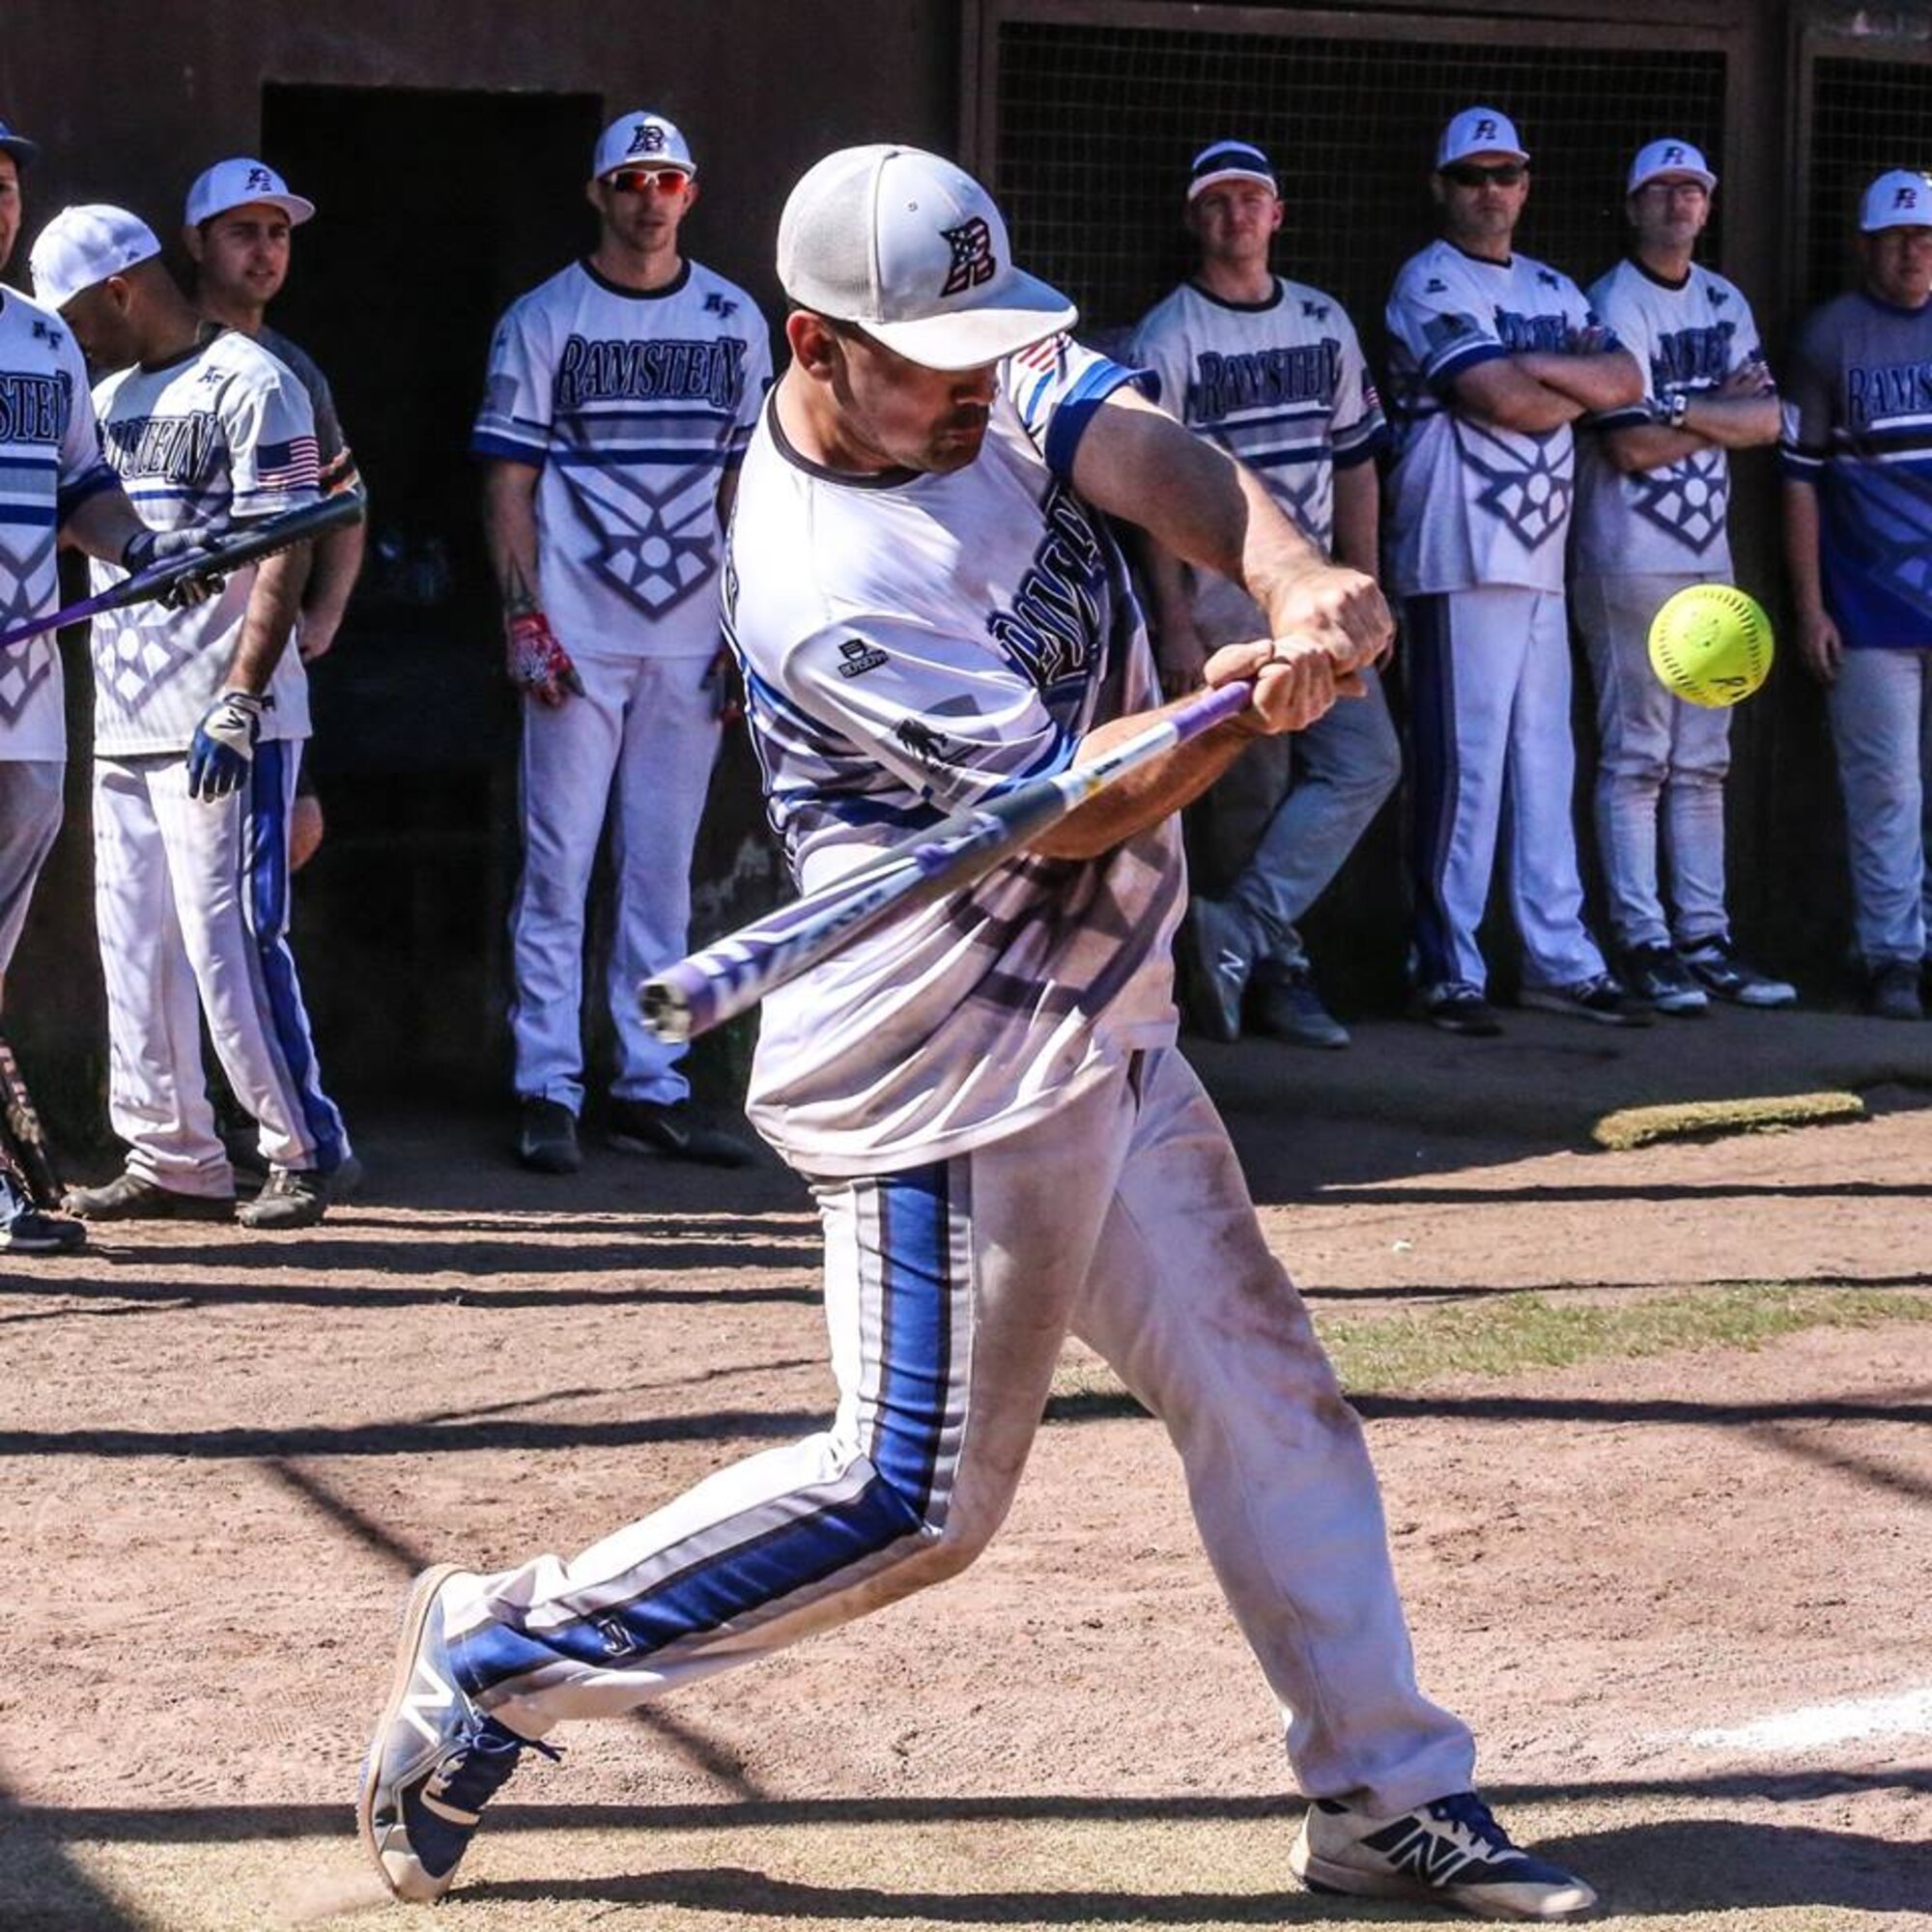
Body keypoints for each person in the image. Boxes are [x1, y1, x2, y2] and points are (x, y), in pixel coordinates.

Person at [357, 145, 1598, 1924]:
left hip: (1107, 1011)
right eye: (926, 362)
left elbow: (1129, 445)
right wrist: (1241, 710)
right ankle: (498, 1646)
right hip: (943, 1053)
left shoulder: (967, 357)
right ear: (813, 344)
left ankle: (1383, 1790)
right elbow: (1069, 814)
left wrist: (1284, 562)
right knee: (912, 1497)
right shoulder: (818, 577)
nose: (970, 384)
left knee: (1265, 1390)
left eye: (977, 348)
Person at [29, 205, 356, 1229]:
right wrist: (135, 553)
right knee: (133, 941)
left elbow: (284, 545)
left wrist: (241, 698)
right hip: (125, 711)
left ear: (119, 289)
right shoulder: (109, 395)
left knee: (232, 940)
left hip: (226, 714)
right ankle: (170, 1150)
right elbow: (84, 518)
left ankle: (303, 1145)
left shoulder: (255, 381)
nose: (74, 337)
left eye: (79, 315)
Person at [473, 110, 772, 1175]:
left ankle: (650, 1082)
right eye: (632, 179)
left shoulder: (735, 318)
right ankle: (546, 1083)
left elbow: (750, 483)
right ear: (599, 194)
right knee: (557, 866)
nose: (651, 197)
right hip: (576, 637)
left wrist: (746, 626)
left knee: (659, 870)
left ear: (690, 194)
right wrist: (524, 619)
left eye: (669, 181)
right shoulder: (543, 318)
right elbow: (507, 478)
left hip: (691, 639)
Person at [1385, 107, 1649, 1036]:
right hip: (1457, 554)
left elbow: (1626, 381)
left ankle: (1558, 958)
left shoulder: (1552, 284)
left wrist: (1533, 368)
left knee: (1546, 759)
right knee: (1463, 769)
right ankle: (1447, 967)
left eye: (1505, 174)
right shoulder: (1426, 279)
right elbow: (1501, 399)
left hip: (1541, 555)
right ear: (1442, 187)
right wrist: (1553, 379)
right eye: (1471, 176)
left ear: (1526, 184)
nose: (1490, 191)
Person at [1131, 140, 1398, 1048]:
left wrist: (1364, 582)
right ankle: (1268, 974)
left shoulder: (1323, 320)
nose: (1235, 216)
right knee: (1254, 786)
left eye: (1250, 200)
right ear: (1193, 220)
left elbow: (1356, 462)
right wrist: (1172, 619)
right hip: (1224, 599)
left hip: (1320, 600)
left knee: (1367, 761)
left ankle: (1244, 929)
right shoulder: (1171, 332)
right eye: (1216, 202)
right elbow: (1150, 491)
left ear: (1277, 215)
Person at [0, 125, 211, 1255]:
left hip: (27, 696)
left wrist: (140, 552)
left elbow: (84, 486)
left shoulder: (42, 343)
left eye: (3, 188)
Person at [1573, 139, 1793, 1014]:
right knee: (1638, 756)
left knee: (1704, 758)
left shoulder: (1724, 298)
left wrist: (1677, 407)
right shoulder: (1608, 300)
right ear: (1632, 207)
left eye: (1690, 190)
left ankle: (1706, 935)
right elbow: (1625, 445)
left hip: (1708, 557)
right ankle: (1643, 940)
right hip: (1626, 555)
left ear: (1709, 205)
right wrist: (1718, 412)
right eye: (1658, 191)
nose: (1676, 203)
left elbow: (1771, 418)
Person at [185, 156, 368, 869]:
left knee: (295, 827)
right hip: (170, 652)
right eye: (243, 233)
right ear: (198, 241)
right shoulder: (159, 353)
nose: (265, 251)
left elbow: (346, 500)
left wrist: (326, 610)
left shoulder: (295, 367)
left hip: (265, 655)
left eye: (278, 234)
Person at [1782, 167, 1932, 1022]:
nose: (1914, 252)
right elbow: (1798, 481)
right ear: (1868, 245)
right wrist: (1810, 606)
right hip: (1869, 606)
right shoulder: (1831, 336)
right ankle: (1891, 956)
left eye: (1925, 237)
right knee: (1887, 793)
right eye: (1898, 237)